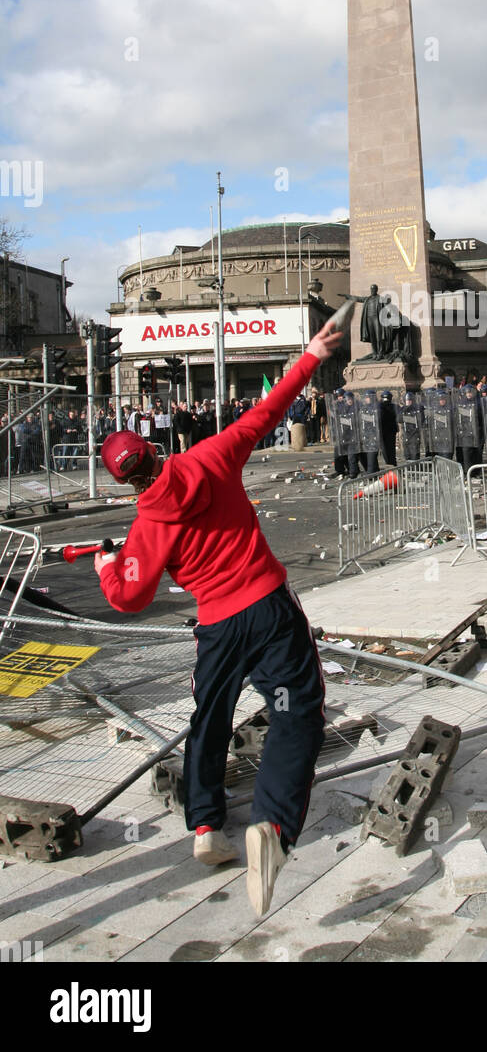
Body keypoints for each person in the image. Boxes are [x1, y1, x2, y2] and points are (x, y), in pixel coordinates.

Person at [94, 319, 345, 917]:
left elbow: (129, 598)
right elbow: (266, 413)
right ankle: (272, 828)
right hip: (269, 609)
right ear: (156, 449)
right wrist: (310, 354)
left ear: (122, 482)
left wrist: (109, 565)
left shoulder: (146, 527)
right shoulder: (210, 457)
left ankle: (206, 826)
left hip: (217, 628)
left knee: (210, 715)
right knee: (295, 712)